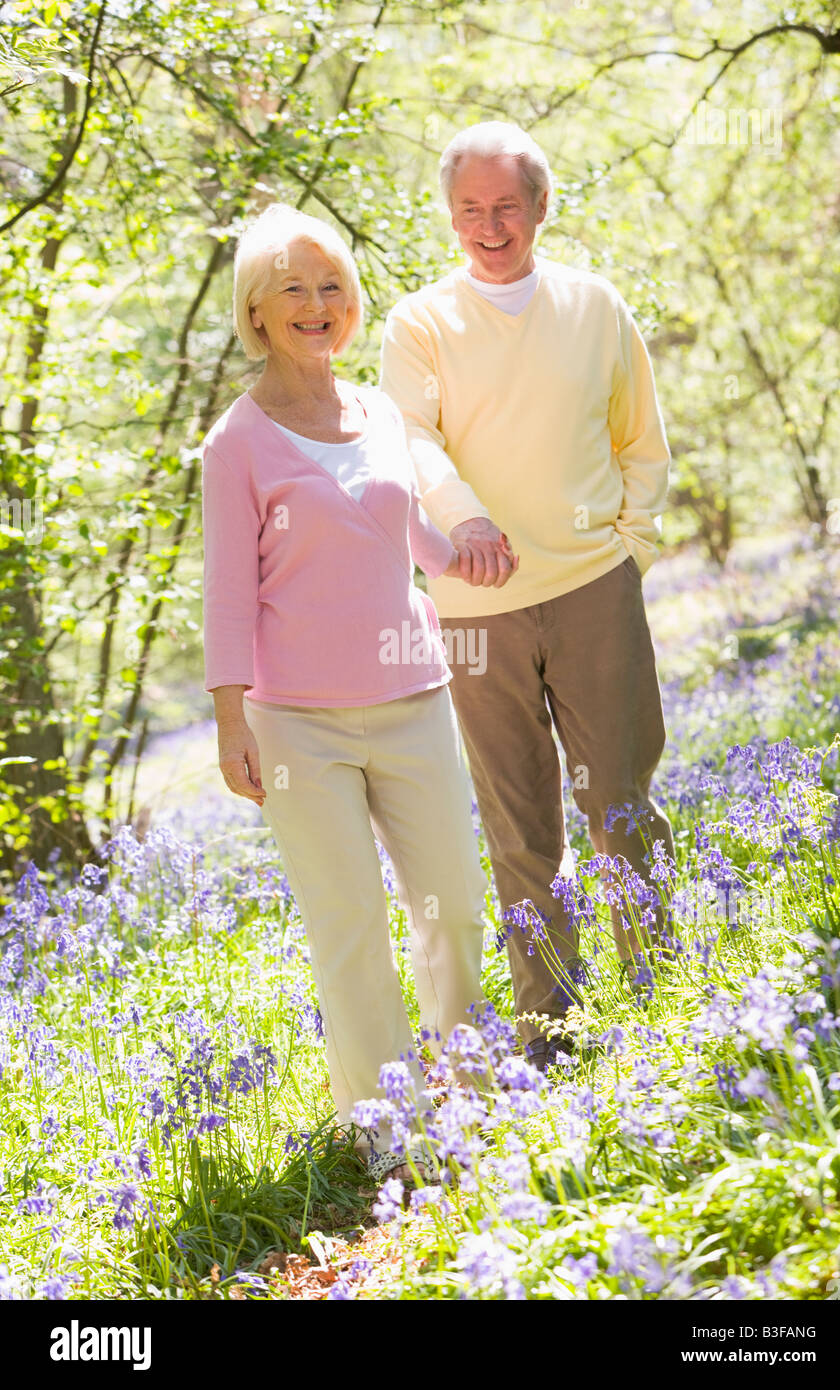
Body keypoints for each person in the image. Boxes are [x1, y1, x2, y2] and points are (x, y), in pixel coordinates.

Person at [201, 204, 514, 1182]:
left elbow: (404, 536)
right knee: (351, 933)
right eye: (292, 287)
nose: (315, 304)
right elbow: (226, 590)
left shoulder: (379, 411)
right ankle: (393, 1142)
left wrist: (466, 550)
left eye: (330, 285)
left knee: (453, 911)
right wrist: (227, 720)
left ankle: (469, 1107)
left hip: (413, 697)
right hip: (296, 728)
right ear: (255, 309)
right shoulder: (234, 445)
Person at [380, 121, 676, 1072]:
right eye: (469, 209)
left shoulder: (595, 305)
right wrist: (463, 522)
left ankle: (665, 994)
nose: (489, 225)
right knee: (519, 828)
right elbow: (411, 442)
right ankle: (550, 1034)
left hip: (594, 588)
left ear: (543, 206)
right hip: (475, 611)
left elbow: (641, 439)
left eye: (507, 205)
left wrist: (627, 547)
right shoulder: (417, 323)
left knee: (619, 801)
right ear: (449, 215)